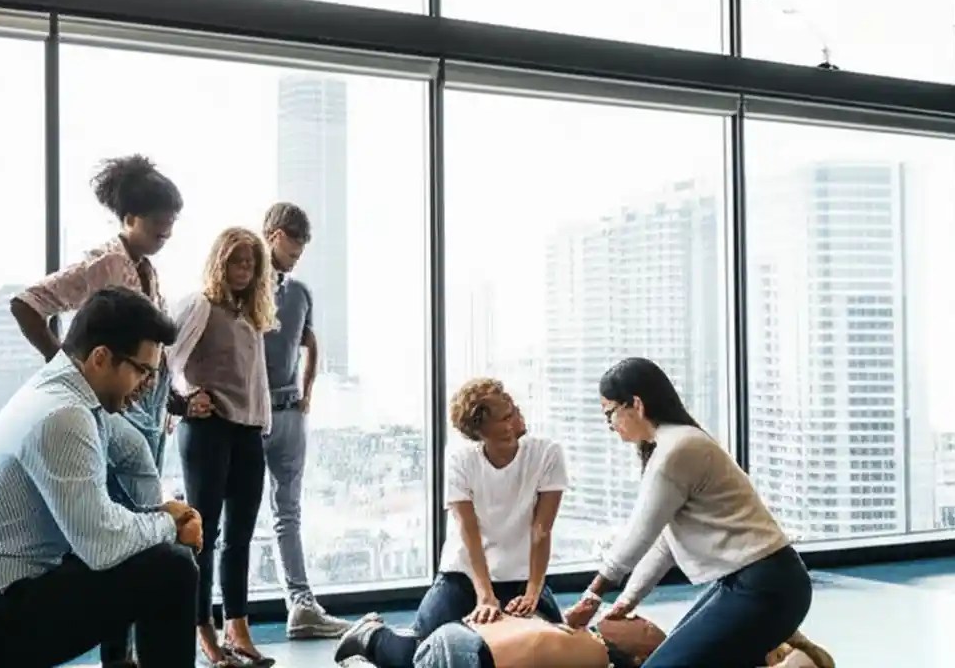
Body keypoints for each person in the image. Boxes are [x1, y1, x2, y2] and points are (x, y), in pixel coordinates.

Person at [0, 287, 201, 668]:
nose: (147, 387)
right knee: (172, 568)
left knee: (149, 550)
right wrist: (168, 523)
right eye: (143, 372)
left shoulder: (66, 391)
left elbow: (133, 450)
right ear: (101, 358)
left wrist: (161, 511)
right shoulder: (63, 415)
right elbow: (101, 545)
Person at [562, 357, 823, 667]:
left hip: (765, 584)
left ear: (636, 404)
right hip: (754, 582)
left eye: (610, 413)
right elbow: (665, 543)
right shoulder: (674, 444)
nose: (610, 425)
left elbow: (637, 538)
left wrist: (592, 595)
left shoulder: (676, 450)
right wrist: (626, 600)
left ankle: (799, 661)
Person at [335, 378, 568, 667]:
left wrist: (533, 591)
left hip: (522, 578)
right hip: (464, 576)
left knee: (561, 654)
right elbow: (469, 532)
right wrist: (485, 596)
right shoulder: (461, 461)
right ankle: (372, 636)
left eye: (514, 409)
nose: (517, 417)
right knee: (423, 656)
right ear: (482, 430)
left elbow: (541, 530)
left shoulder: (547, 453)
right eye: (506, 416)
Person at [11, 154, 183, 472]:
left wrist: (168, 392)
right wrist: (68, 368)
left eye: (170, 223)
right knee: (121, 497)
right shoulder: (105, 265)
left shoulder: (147, 269)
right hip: (118, 399)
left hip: (149, 404)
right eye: (158, 224)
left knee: (143, 495)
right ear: (130, 218)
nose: (167, 231)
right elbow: (26, 304)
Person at [168, 226, 278, 667]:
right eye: (237, 262)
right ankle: (204, 630)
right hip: (209, 431)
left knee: (241, 537)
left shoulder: (251, 314)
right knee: (204, 534)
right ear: (221, 262)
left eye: (251, 264)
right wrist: (184, 401)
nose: (244, 270)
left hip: (249, 432)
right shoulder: (200, 306)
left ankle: (238, 627)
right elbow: (165, 360)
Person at [259, 202, 350, 638]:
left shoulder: (298, 293)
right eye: (292, 247)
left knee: (287, 512)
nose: (296, 257)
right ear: (274, 234)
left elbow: (311, 342)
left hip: (290, 413)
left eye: (301, 251)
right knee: (227, 521)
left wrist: (308, 391)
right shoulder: (241, 286)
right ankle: (216, 619)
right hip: (247, 418)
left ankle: (301, 606)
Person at [336, 609, 833, 668]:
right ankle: (374, 639)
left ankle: (375, 641)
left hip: (467, 646)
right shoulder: (606, 644)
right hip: (468, 652)